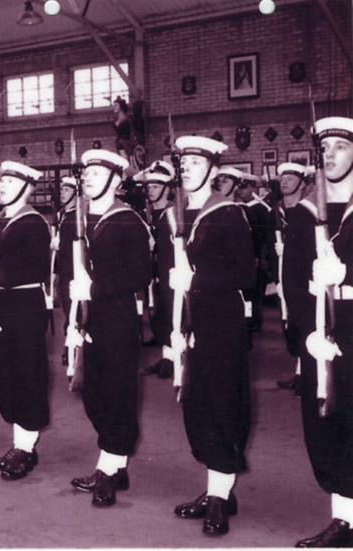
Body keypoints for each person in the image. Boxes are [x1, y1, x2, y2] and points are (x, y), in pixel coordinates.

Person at [168, 136, 256, 536]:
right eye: (182, 162)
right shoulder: (179, 213)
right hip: (192, 324)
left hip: (222, 323)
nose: (186, 167)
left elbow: (246, 274)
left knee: (221, 405)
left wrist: (196, 280)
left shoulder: (228, 213)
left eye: (195, 162)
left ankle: (220, 496)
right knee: (198, 407)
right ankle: (216, 487)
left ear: (213, 169)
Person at [68, 149, 151, 507]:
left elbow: (141, 274)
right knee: (94, 394)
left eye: (96, 172)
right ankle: (113, 465)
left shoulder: (127, 220)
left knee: (117, 393)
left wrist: (95, 289)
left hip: (117, 320)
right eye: (85, 172)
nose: (86, 177)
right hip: (90, 319)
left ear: (117, 181)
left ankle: (111, 469)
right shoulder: (81, 219)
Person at [294, 116, 353, 547]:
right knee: (323, 426)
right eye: (325, 148)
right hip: (318, 338)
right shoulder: (306, 212)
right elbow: (292, 278)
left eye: (341, 147)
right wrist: (305, 334)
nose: (330, 154)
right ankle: (342, 514)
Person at [0, 160, 50, 481]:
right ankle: (18, 444)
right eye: (1, 183)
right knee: (8, 376)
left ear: (26, 188)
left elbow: (36, 269)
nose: (1, 188)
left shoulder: (32, 223)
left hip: (25, 306)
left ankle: (27, 449)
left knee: (27, 375)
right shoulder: (1, 221)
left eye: (9, 183)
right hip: (5, 306)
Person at [273, 163, 313, 393]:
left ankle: (304, 374)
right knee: (288, 324)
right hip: (281, 274)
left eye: (290, 177)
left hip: (303, 276)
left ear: (302, 182)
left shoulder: (308, 210)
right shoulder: (275, 210)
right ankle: (299, 371)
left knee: (303, 322)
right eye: (282, 177)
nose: (284, 181)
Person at [139, 161, 175, 379]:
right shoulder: (148, 213)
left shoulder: (172, 213)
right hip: (153, 272)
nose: (150, 189)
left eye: (156, 186)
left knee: (172, 315)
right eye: (149, 186)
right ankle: (166, 355)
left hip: (169, 271)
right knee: (158, 315)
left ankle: (175, 358)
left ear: (167, 188)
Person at [236, 172, 274, 336]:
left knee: (256, 292)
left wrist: (262, 257)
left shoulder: (261, 208)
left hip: (258, 256)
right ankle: (248, 320)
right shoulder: (239, 208)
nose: (241, 191)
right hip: (246, 256)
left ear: (253, 188)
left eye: (245, 187)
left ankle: (255, 321)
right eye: (240, 187)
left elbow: (265, 235)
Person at [52, 176, 78, 369]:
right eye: (62, 190)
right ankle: (70, 348)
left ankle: (74, 351)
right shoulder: (61, 215)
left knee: (74, 313)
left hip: (75, 272)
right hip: (64, 270)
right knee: (67, 311)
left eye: (67, 190)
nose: (62, 193)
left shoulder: (78, 216)